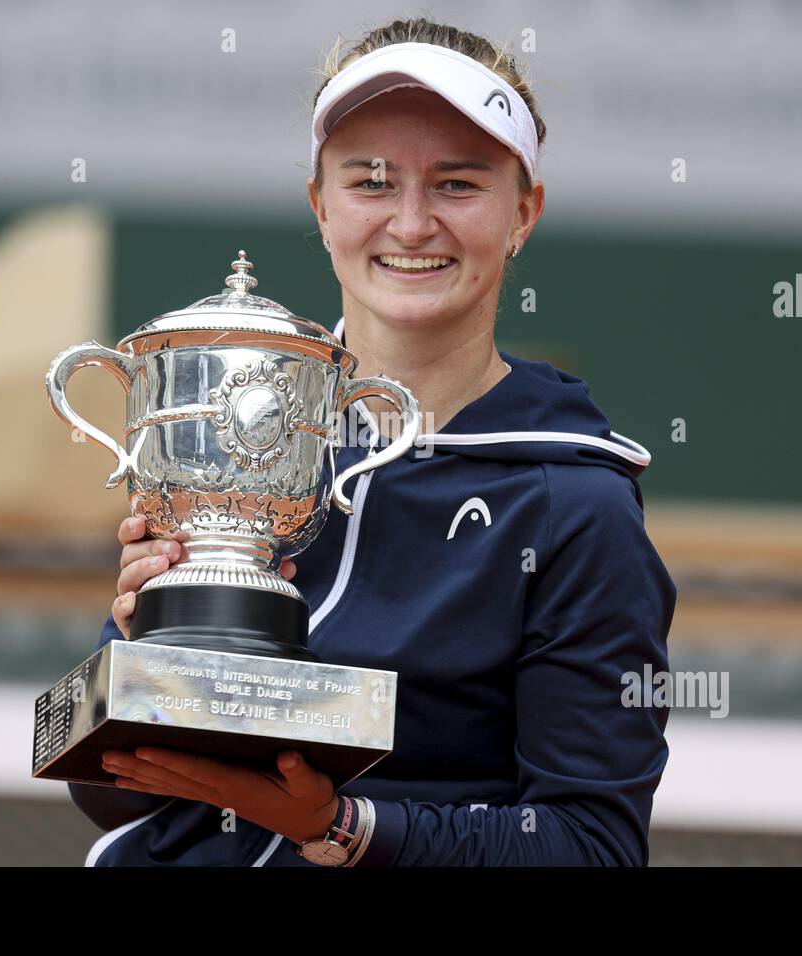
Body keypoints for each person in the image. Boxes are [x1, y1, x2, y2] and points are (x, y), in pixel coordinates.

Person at [68, 17, 677, 867]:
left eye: (457, 184)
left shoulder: (576, 505)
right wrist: (147, 653)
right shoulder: (232, 440)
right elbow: (110, 794)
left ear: (523, 213)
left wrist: (341, 828)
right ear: (322, 208)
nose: (412, 223)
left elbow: (591, 848)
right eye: (372, 182)